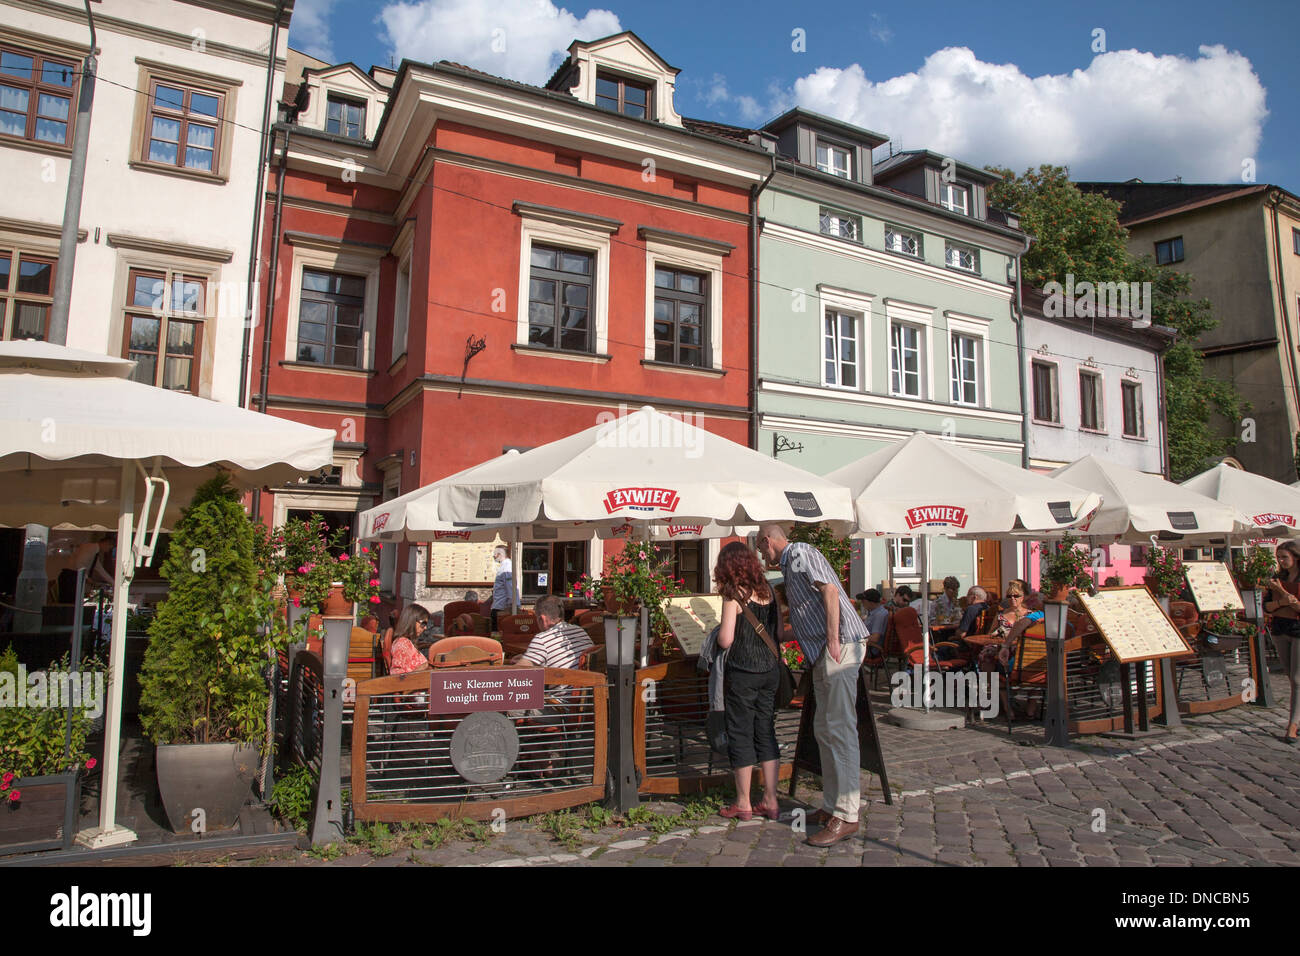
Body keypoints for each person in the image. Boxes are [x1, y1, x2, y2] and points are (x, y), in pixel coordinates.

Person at [758, 523, 867, 847]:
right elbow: (810, 615)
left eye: (761, 549)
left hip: (839, 647)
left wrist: (833, 640)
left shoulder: (800, 553)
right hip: (823, 652)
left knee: (839, 729)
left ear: (768, 541)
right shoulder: (790, 565)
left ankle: (847, 815)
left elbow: (830, 591)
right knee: (824, 728)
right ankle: (832, 806)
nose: (762, 556)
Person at [713, 541, 782, 822]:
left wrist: (715, 632)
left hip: (743, 671)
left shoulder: (734, 595)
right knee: (765, 730)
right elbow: (778, 633)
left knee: (740, 732)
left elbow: (726, 639)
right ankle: (771, 800)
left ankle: (743, 802)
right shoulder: (769, 591)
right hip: (770, 670)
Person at [1265, 541, 1300, 744]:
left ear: (1295, 557)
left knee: (1297, 679)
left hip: (1298, 630)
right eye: (1278, 557)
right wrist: (1281, 602)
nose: (1281, 561)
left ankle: (1292, 725)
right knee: (1291, 677)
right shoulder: (1277, 579)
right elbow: (1267, 607)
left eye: (1284, 557)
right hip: (1280, 630)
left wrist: (1285, 595)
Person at [511, 594, 593, 669]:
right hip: (586, 679)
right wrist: (529, 657)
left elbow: (517, 672)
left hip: (562, 680)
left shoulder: (541, 640)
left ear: (542, 619)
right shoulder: (579, 630)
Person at [386, 604, 431, 675]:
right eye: (423, 623)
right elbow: (398, 676)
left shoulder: (406, 642)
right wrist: (426, 665)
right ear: (412, 621)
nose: (425, 628)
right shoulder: (402, 644)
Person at [857, 588, 889, 662]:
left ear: (871, 602)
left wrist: (857, 639)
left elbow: (875, 638)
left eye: (863, 600)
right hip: (867, 646)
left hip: (870, 649)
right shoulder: (875, 612)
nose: (862, 603)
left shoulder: (879, 615)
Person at [490, 547, 513, 630]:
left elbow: (510, 587)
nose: (493, 556)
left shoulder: (507, 567)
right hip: (499, 606)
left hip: (502, 608)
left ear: (500, 554)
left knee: (498, 633)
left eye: (495, 553)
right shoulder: (504, 566)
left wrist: (510, 605)